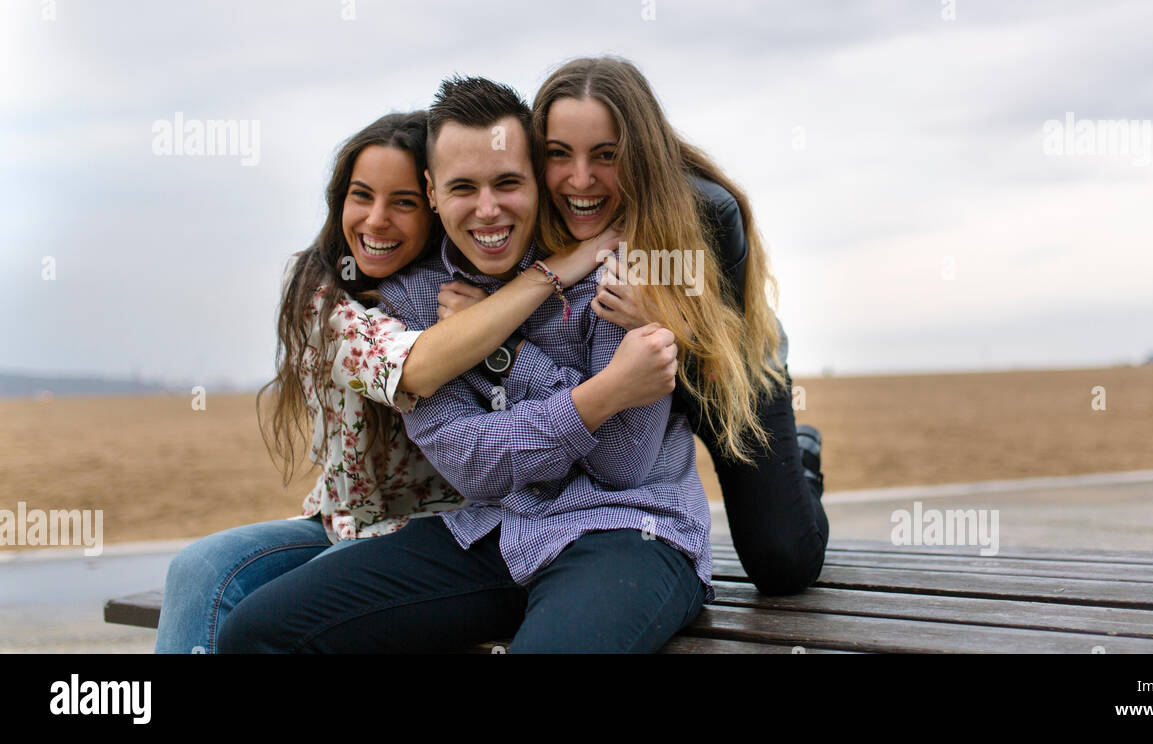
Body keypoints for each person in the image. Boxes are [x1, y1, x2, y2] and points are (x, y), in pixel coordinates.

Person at [216, 76, 710, 653]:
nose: (487, 209)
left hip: (629, 530)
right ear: (430, 190)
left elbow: (623, 464)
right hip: (492, 532)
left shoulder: (614, 273)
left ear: (536, 178)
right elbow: (471, 463)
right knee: (259, 634)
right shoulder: (415, 299)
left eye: (507, 183)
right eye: (462, 188)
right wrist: (578, 386)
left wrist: (509, 363)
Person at [154, 111, 615, 653]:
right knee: (198, 567)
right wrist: (552, 273)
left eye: (402, 203)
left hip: (449, 529)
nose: (377, 220)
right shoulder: (321, 285)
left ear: (433, 206)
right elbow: (415, 365)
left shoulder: (451, 283)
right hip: (344, 520)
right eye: (361, 195)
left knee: (296, 614)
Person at [532, 56, 829, 595]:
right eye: (558, 154)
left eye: (607, 155)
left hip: (724, 369)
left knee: (783, 563)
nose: (580, 180)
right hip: (628, 394)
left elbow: (731, 353)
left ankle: (801, 457)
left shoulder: (709, 213)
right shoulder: (527, 209)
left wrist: (663, 322)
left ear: (641, 154)